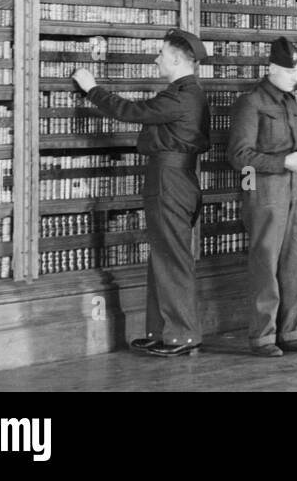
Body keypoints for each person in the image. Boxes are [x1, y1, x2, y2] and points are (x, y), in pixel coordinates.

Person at [71, 29, 209, 357]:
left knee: (172, 258)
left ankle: (182, 336)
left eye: (161, 53)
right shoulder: (189, 93)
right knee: (163, 256)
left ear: (176, 59)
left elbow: (130, 112)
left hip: (169, 182)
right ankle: (162, 332)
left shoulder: (180, 96)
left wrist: (92, 89)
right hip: (174, 179)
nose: (156, 58)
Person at [228, 38, 297, 357]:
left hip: (296, 190)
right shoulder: (252, 102)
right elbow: (238, 154)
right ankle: (263, 337)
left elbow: (296, 142)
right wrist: (281, 162)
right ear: (272, 69)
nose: (295, 77)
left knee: (295, 264)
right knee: (265, 264)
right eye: (291, 71)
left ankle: (291, 331)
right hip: (266, 193)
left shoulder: (290, 102)